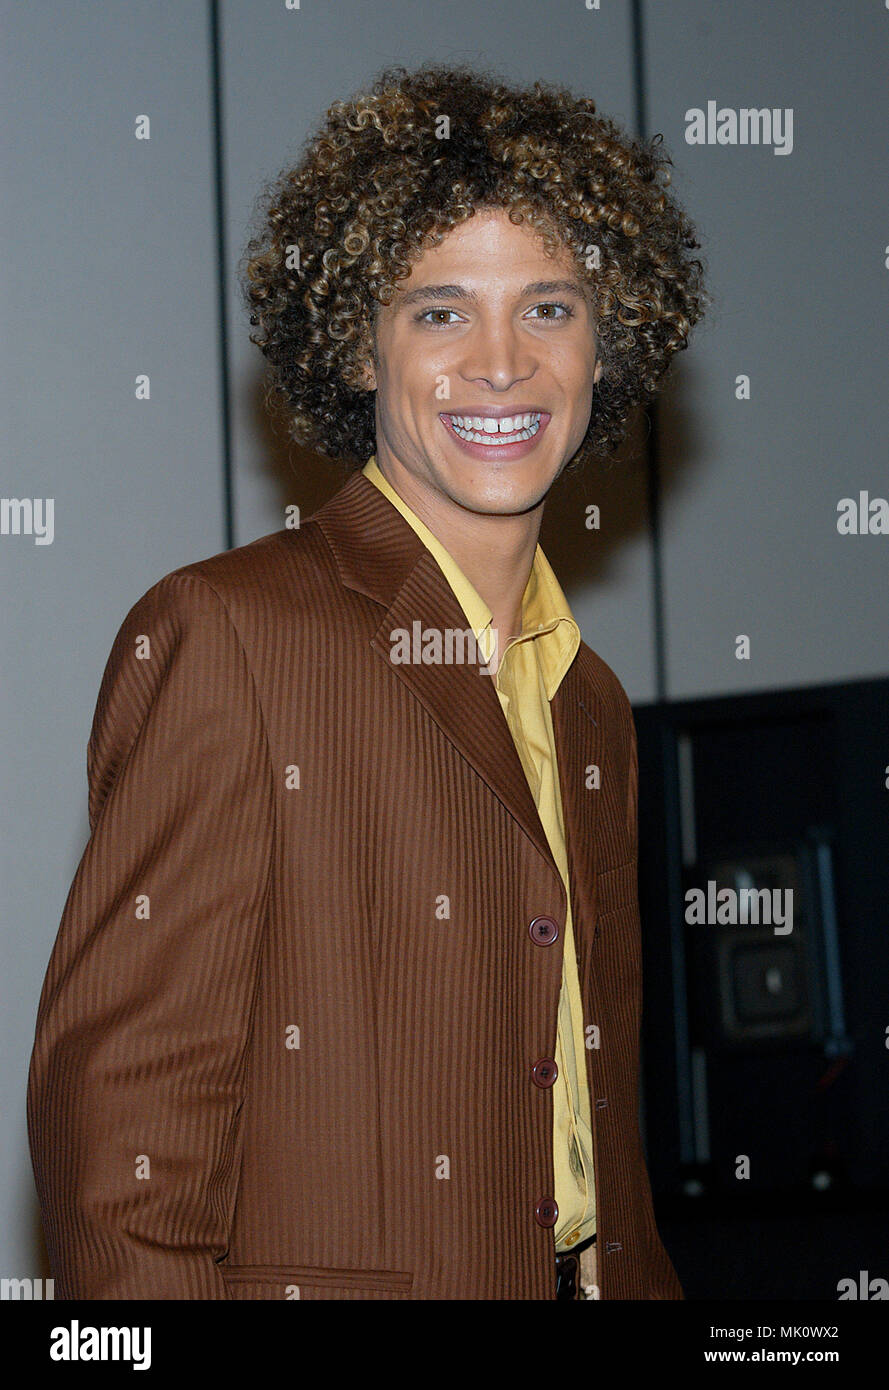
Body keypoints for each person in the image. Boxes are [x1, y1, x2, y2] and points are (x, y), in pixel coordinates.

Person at [27, 63, 707, 1300]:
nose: (500, 363)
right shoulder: (228, 634)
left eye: (548, 308)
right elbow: (121, 1145)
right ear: (354, 343)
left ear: (606, 341)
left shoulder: (591, 701)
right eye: (440, 312)